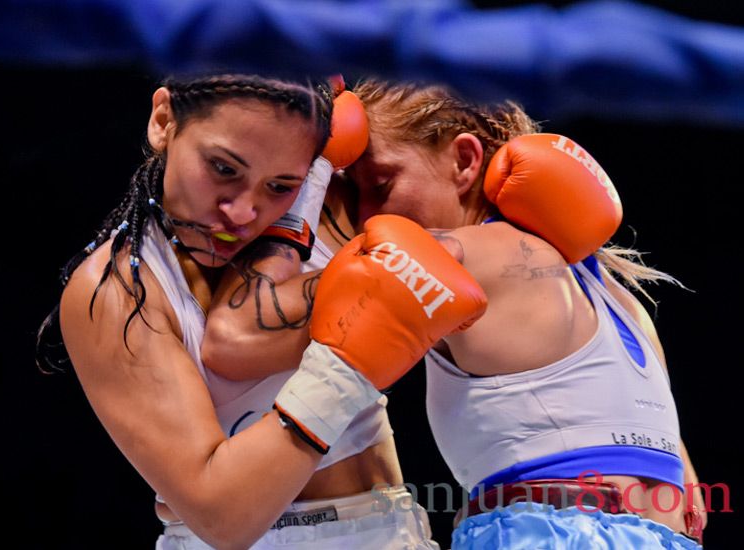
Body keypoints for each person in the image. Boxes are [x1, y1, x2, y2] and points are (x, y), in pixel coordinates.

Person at [35, 73, 487, 549]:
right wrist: (347, 365)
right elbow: (222, 515)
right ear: (163, 121)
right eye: (224, 169)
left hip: (393, 530)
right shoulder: (121, 289)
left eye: (279, 185)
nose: (242, 211)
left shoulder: (333, 199)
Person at [342, 79, 706, 549]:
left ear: (464, 161)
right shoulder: (620, 297)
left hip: (549, 533)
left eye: (378, 183)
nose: (364, 212)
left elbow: (295, 296)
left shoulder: (467, 255)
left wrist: (308, 178)